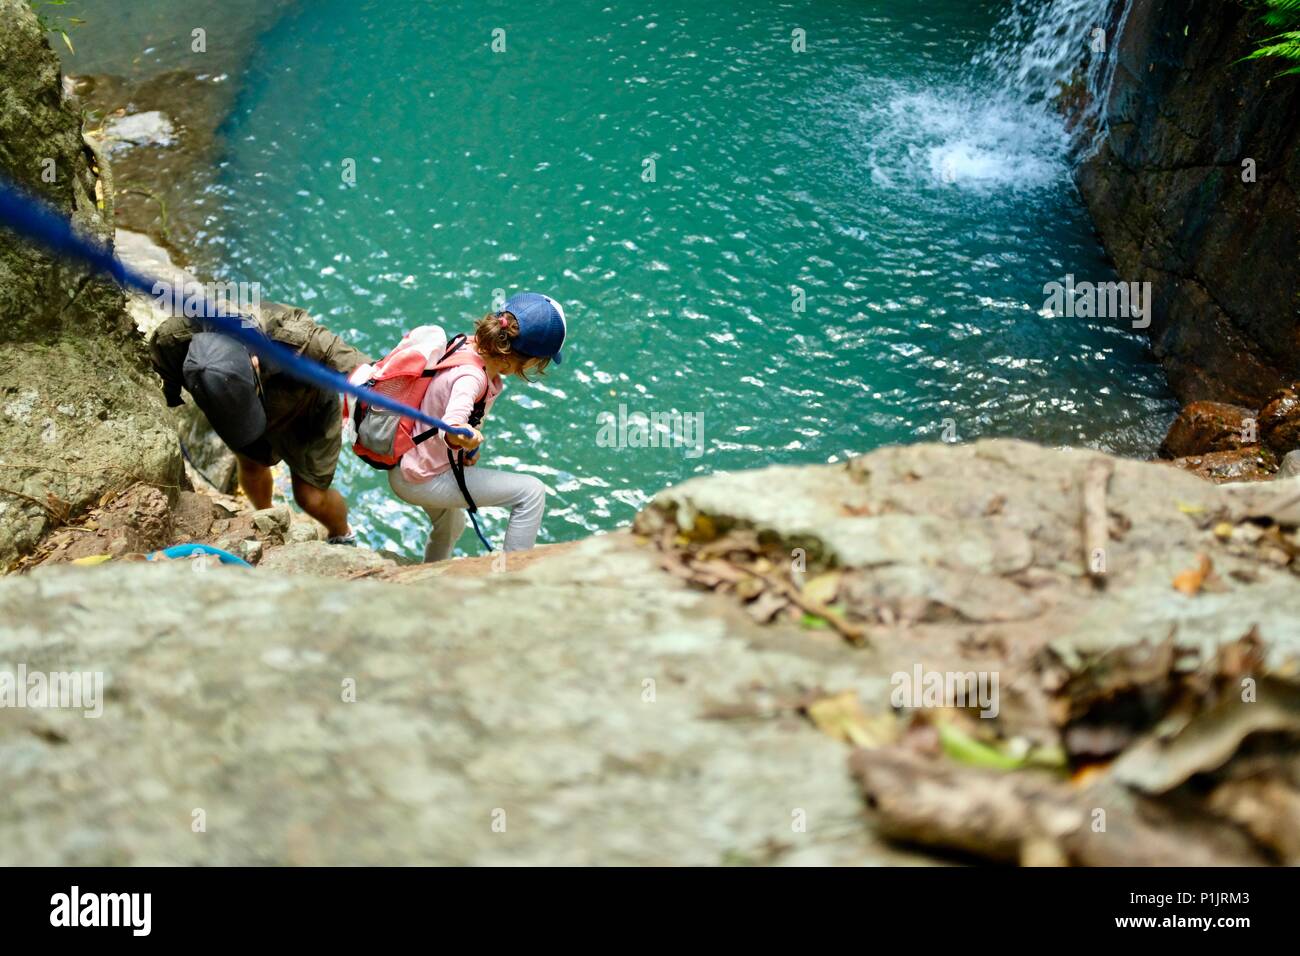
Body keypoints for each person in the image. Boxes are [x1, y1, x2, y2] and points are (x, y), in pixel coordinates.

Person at [149, 302, 372, 544]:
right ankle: (268, 518)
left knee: (311, 497)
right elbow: (163, 377)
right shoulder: (172, 340)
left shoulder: (292, 337)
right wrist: (170, 396)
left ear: (255, 363)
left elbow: (363, 368)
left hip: (306, 409)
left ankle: (343, 535)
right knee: (252, 467)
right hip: (230, 411)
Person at [388, 292, 566, 562]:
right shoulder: (472, 378)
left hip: (410, 461)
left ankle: (430, 576)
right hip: (422, 477)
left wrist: (463, 449)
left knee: (451, 525)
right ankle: (514, 581)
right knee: (531, 492)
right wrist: (462, 438)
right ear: (514, 362)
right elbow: (451, 425)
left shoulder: (468, 346)